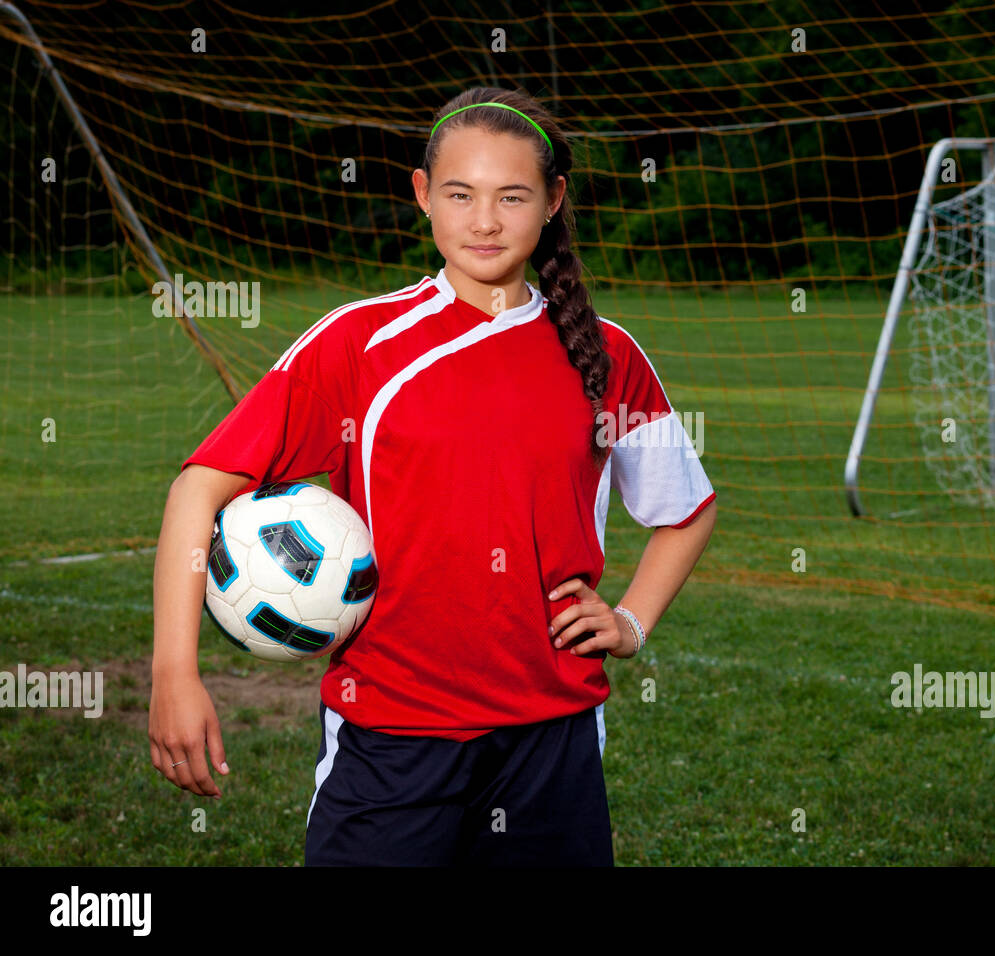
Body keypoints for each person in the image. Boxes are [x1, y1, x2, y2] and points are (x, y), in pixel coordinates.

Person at [148, 86, 717, 866]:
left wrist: (631, 621)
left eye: (512, 196)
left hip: (550, 737)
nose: (485, 220)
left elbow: (685, 510)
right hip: (391, 733)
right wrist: (174, 673)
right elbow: (199, 488)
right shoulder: (358, 343)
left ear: (553, 201)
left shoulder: (606, 353)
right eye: (460, 194)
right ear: (423, 197)